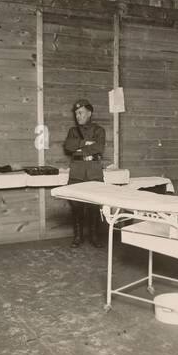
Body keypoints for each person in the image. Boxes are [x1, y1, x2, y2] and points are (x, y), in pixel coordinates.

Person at [62, 99, 108, 247]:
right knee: (76, 205)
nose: (78, 116)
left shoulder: (99, 130)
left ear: (89, 113)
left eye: (80, 113)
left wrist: (80, 149)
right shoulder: (73, 131)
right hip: (77, 172)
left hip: (93, 171)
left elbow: (99, 148)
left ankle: (94, 237)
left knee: (94, 205)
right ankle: (78, 237)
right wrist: (84, 143)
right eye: (76, 114)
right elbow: (68, 146)